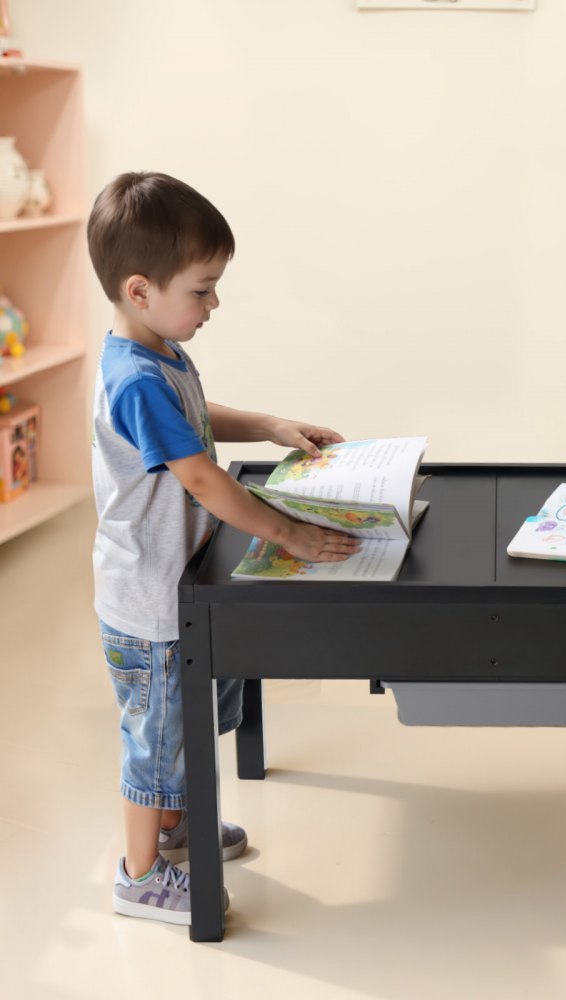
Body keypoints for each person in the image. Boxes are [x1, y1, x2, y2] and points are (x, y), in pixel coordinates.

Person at [88, 172, 361, 924]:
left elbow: (199, 419)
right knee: (155, 739)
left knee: (186, 722)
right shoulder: (134, 377)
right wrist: (287, 533)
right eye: (202, 291)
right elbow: (203, 478)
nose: (214, 305)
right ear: (141, 291)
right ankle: (139, 874)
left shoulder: (159, 353)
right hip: (146, 604)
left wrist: (271, 426)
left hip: (173, 581)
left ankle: (175, 831)